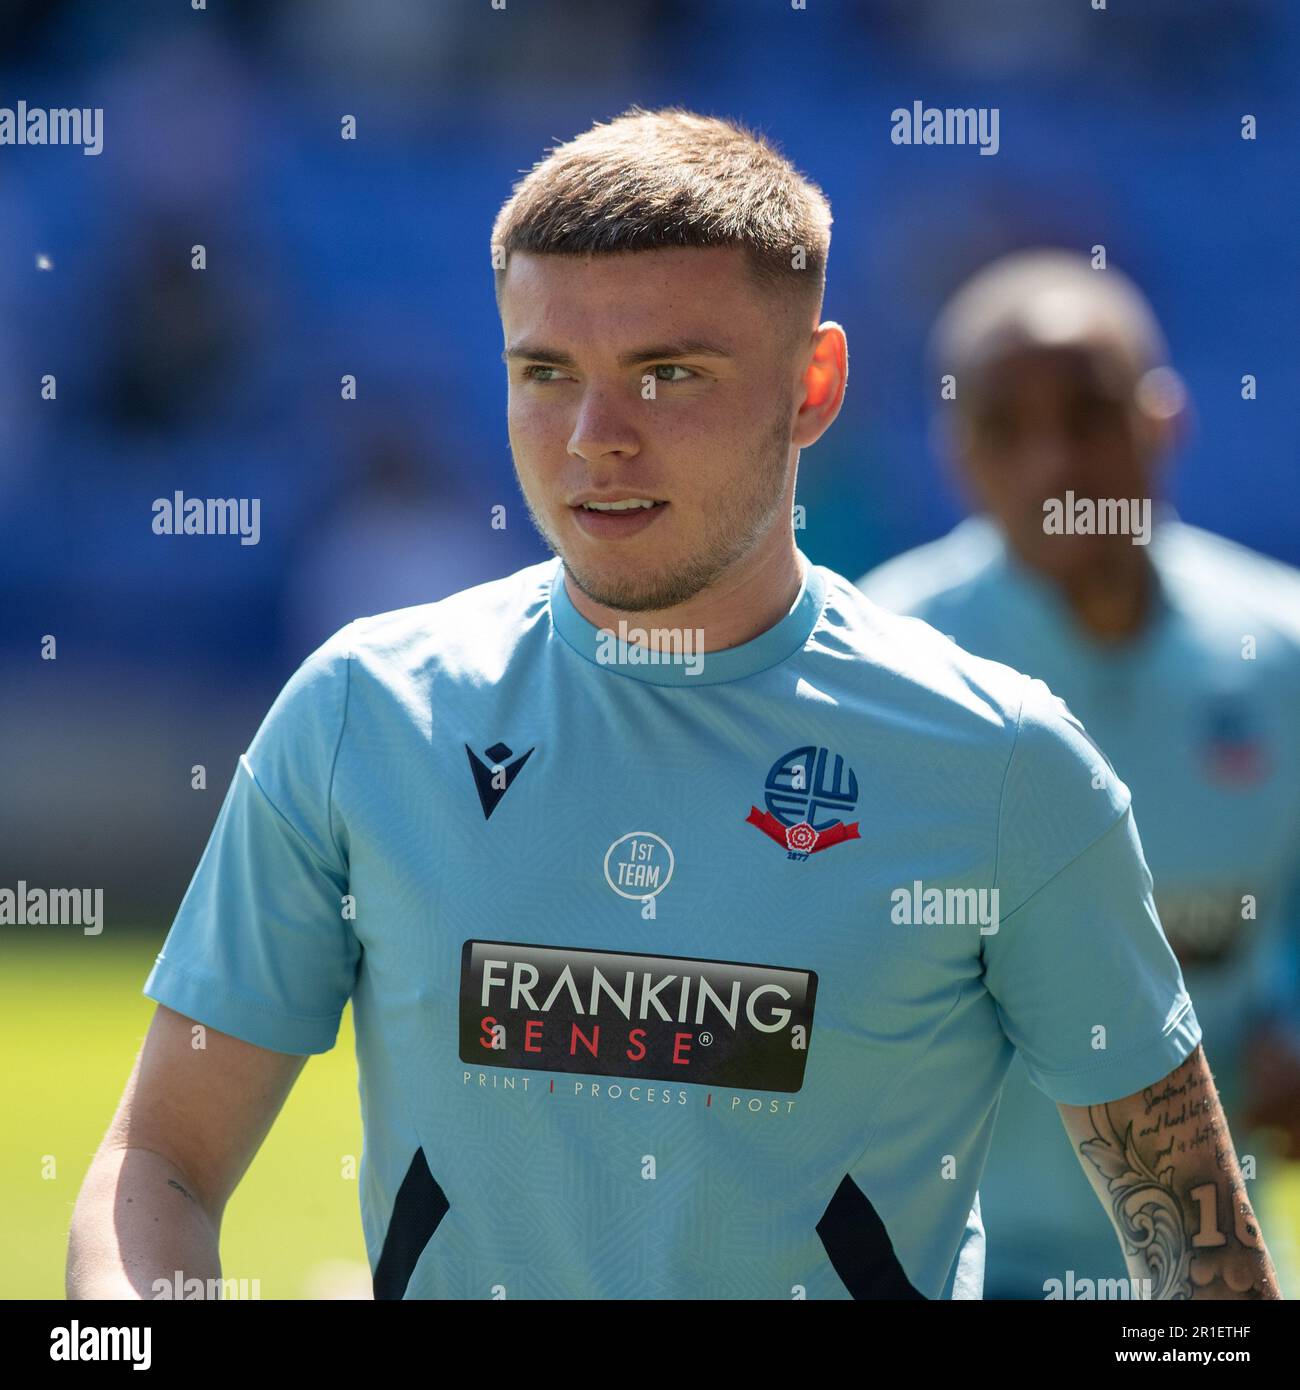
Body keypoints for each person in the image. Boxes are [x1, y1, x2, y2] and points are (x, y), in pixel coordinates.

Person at [68, 111, 1277, 1301]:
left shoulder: (1004, 762)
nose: (596, 439)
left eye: (667, 375)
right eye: (546, 373)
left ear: (811, 386)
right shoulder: (361, 712)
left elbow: (1202, 1262)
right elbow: (159, 1164)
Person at [857, 248, 1300, 1299]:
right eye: (1004, 426)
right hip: (945, 1268)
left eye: (1090, 414)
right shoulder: (882, 668)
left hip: (1197, 1272)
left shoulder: (1276, 650)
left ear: (1165, 418)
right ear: (954, 453)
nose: (1053, 460)